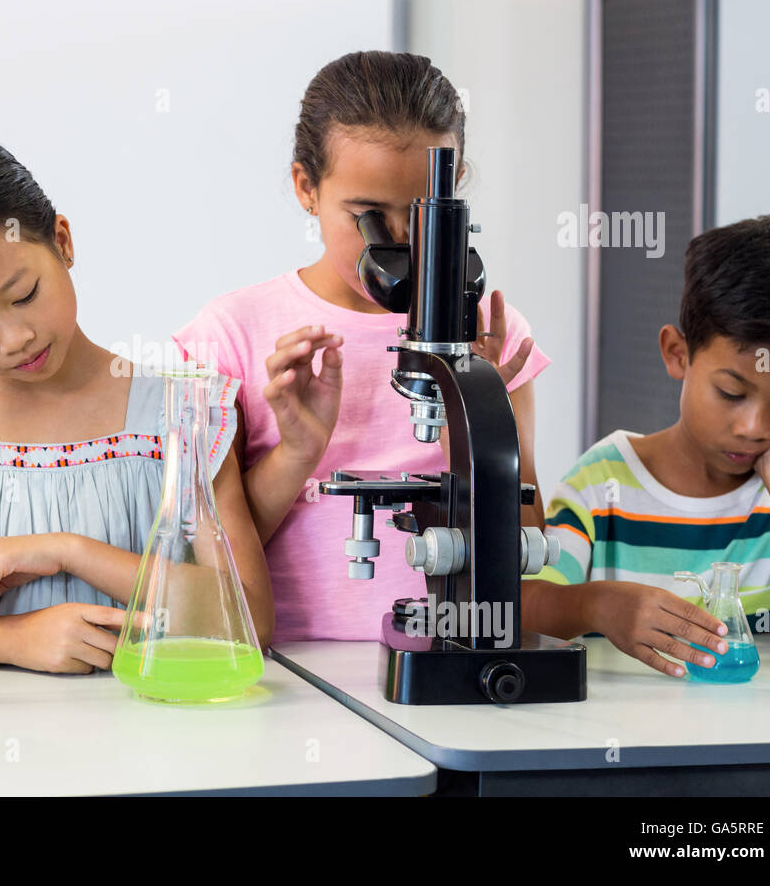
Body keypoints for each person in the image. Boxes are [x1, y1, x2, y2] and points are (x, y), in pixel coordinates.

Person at [0, 139, 274, 673]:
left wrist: (69, 550)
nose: (14, 338)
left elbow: (248, 620)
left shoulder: (182, 417)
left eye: (24, 295)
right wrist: (6, 640)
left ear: (62, 242)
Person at [174, 51, 547, 642]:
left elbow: (522, 555)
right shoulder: (229, 334)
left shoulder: (494, 334)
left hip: (449, 648)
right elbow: (206, 560)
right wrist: (297, 452)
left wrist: (478, 415)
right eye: (369, 217)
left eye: (419, 216)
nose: (397, 245)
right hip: (291, 667)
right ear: (306, 187)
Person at [525, 215, 770, 676]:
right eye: (732, 394)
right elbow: (526, 607)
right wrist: (597, 605)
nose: (754, 428)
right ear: (678, 354)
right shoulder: (605, 483)